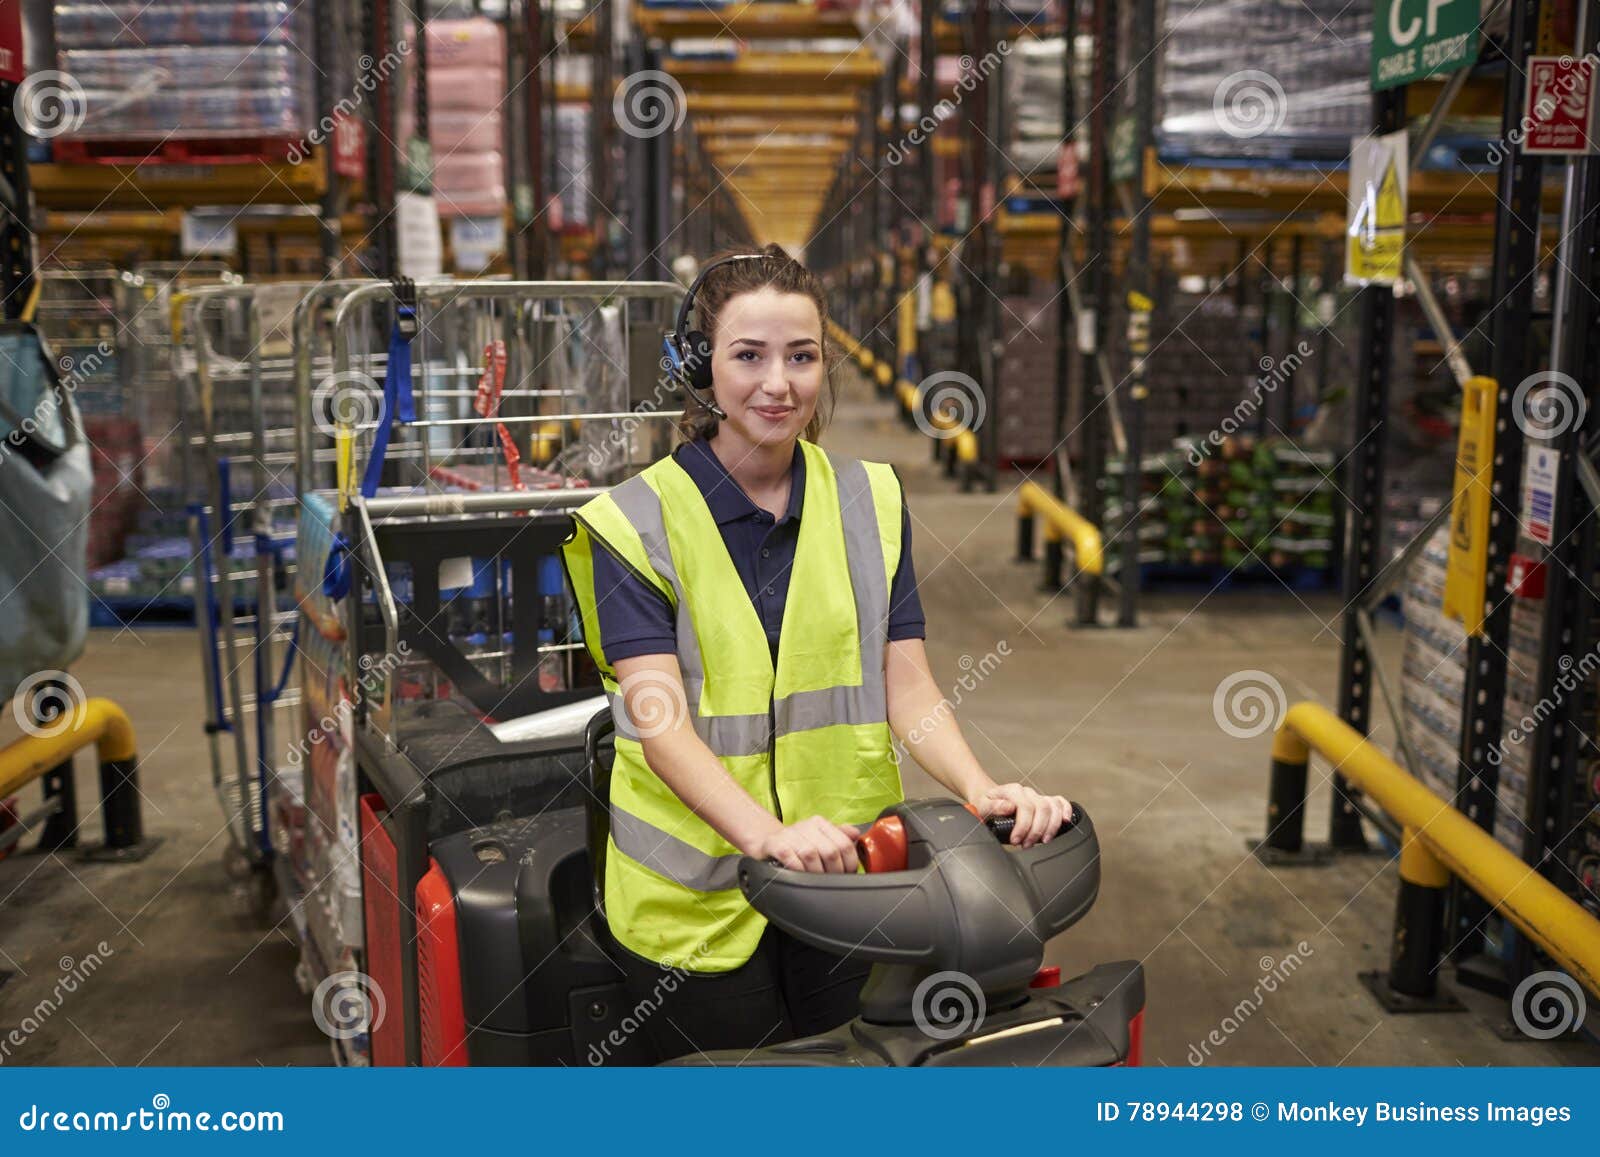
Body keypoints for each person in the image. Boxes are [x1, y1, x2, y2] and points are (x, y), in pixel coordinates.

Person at [562, 245, 1070, 1061]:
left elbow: (907, 685)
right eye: (748, 356)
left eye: (801, 356)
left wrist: (984, 789)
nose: (779, 383)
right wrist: (767, 836)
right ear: (702, 367)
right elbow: (659, 723)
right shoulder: (634, 523)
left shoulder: (870, 499)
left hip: (851, 879)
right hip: (694, 907)